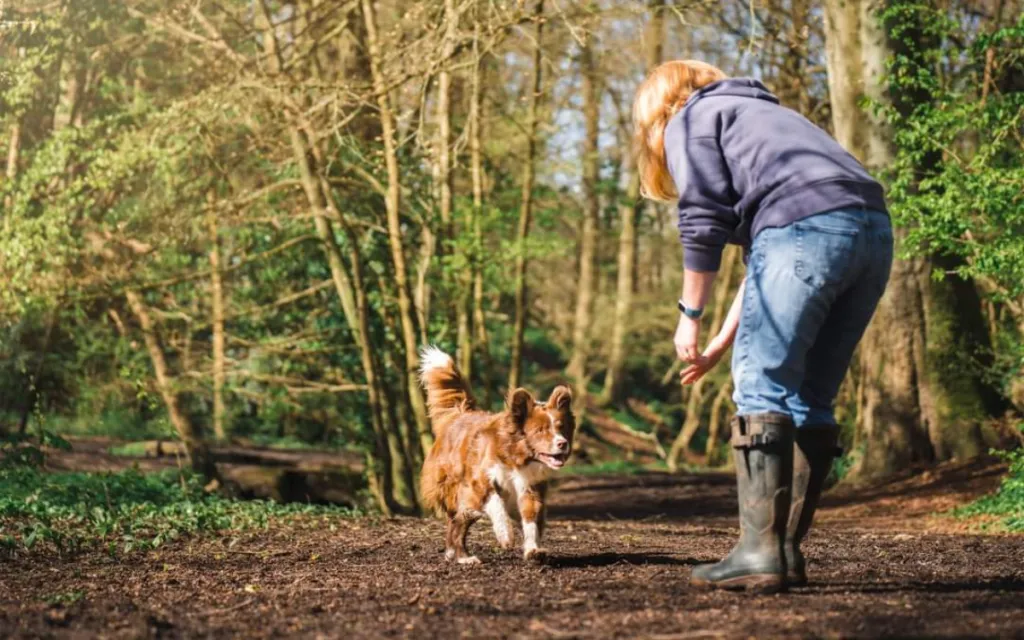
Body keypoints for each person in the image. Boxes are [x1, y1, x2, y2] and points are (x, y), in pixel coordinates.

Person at [632, 60, 893, 592]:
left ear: (661, 107)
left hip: (805, 232)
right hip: (872, 233)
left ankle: (759, 552)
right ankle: (783, 552)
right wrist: (720, 344)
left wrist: (691, 317)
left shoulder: (692, 117)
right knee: (809, 398)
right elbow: (766, 267)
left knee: (759, 387)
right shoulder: (772, 120)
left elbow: (703, 219)